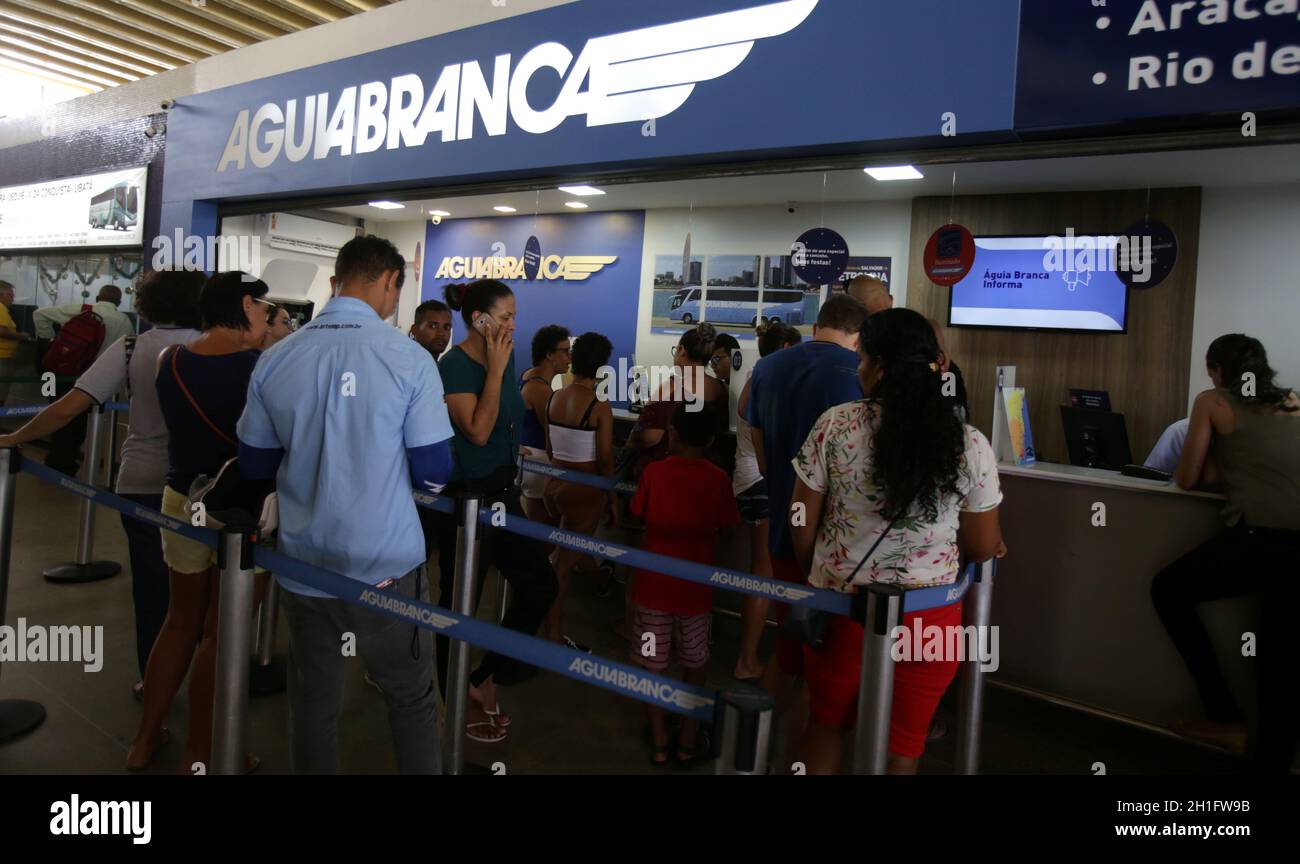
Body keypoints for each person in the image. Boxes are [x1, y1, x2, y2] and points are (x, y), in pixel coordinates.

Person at [238, 236, 454, 775]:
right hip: (386, 566)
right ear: (388, 282)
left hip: (302, 563)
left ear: (337, 280)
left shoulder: (277, 356)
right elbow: (433, 472)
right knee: (410, 697)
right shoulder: (410, 359)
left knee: (312, 704)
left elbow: (254, 463)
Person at [788, 308, 1004, 774]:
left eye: (862, 360)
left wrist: (818, 571)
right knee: (903, 747)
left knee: (826, 727)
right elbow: (984, 547)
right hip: (930, 617)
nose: (859, 371)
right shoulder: (969, 443)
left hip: (843, 608)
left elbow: (800, 517)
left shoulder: (836, 426)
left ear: (881, 367)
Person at [0, 270, 204, 695]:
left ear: (147, 306)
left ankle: (154, 682)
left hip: (141, 484)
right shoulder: (218, 346)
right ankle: (207, 685)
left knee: (151, 591)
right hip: (199, 490)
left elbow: (69, 406)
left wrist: (15, 437)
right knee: (202, 594)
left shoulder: (132, 347)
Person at [127, 271, 270, 773]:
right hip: (242, 511)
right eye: (262, 308)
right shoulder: (262, 367)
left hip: (180, 499)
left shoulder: (172, 360)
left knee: (178, 620)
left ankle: (145, 740)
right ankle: (201, 752)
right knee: (221, 632)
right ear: (247, 304)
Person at [1151, 334, 1300, 772]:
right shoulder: (1293, 400)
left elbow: (1186, 477)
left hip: (1262, 539)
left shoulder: (1213, 401)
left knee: (1168, 590)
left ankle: (1225, 717)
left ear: (1217, 370)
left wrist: (1227, 473)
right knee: (1281, 662)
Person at [435, 279, 559, 743]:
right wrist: (495, 369)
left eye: (513, 316)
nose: (513, 325)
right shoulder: (454, 366)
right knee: (457, 604)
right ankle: (449, 708)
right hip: (469, 498)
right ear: (479, 320)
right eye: (505, 317)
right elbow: (478, 431)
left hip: (504, 494)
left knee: (540, 583)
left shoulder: (501, 360)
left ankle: (485, 677)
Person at [744, 294, 868, 755]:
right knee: (827, 674)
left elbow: (758, 452)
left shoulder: (768, 368)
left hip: (782, 528)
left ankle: (753, 752)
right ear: (859, 335)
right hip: (835, 550)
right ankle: (801, 756)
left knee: (791, 648)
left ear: (819, 324)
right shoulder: (856, 374)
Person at [630, 403, 739, 766]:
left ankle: (660, 742)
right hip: (695, 594)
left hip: (652, 590)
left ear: (673, 434)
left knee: (652, 663)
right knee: (696, 662)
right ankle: (689, 740)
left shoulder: (654, 474)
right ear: (710, 440)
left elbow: (638, 515)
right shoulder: (719, 479)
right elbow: (727, 529)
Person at [730, 322, 798, 681]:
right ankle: (747, 659)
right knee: (763, 573)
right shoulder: (768, 380)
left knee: (763, 570)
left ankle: (752, 655)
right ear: (786, 347)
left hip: (748, 480)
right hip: (760, 480)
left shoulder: (759, 377)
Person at [542, 331, 616, 649]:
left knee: (569, 552)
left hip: (554, 487)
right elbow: (606, 460)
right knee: (561, 566)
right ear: (601, 366)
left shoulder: (555, 397)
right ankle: (553, 635)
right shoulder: (599, 406)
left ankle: (601, 580)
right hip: (584, 493)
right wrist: (612, 498)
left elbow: (549, 447)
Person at [33, 285, 134, 475]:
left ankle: (57, 459)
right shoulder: (124, 321)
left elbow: (39, 314)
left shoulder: (81, 310)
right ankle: (65, 462)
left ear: (97, 297)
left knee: (56, 411)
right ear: (119, 302)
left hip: (62, 374)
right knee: (78, 422)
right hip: (93, 380)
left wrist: (49, 342)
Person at [519, 324, 571, 523]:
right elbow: (552, 438)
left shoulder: (527, 375)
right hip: (538, 463)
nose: (570, 358)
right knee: (542, 535)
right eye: (565, 351)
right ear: (549, 354)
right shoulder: (540, 389)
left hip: (529, 462)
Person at [0, 280, 36, 405]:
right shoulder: (0, 308)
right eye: (10, 295)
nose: (13, 298)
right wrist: (21, 336)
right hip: (2, 357)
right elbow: (2, 331)